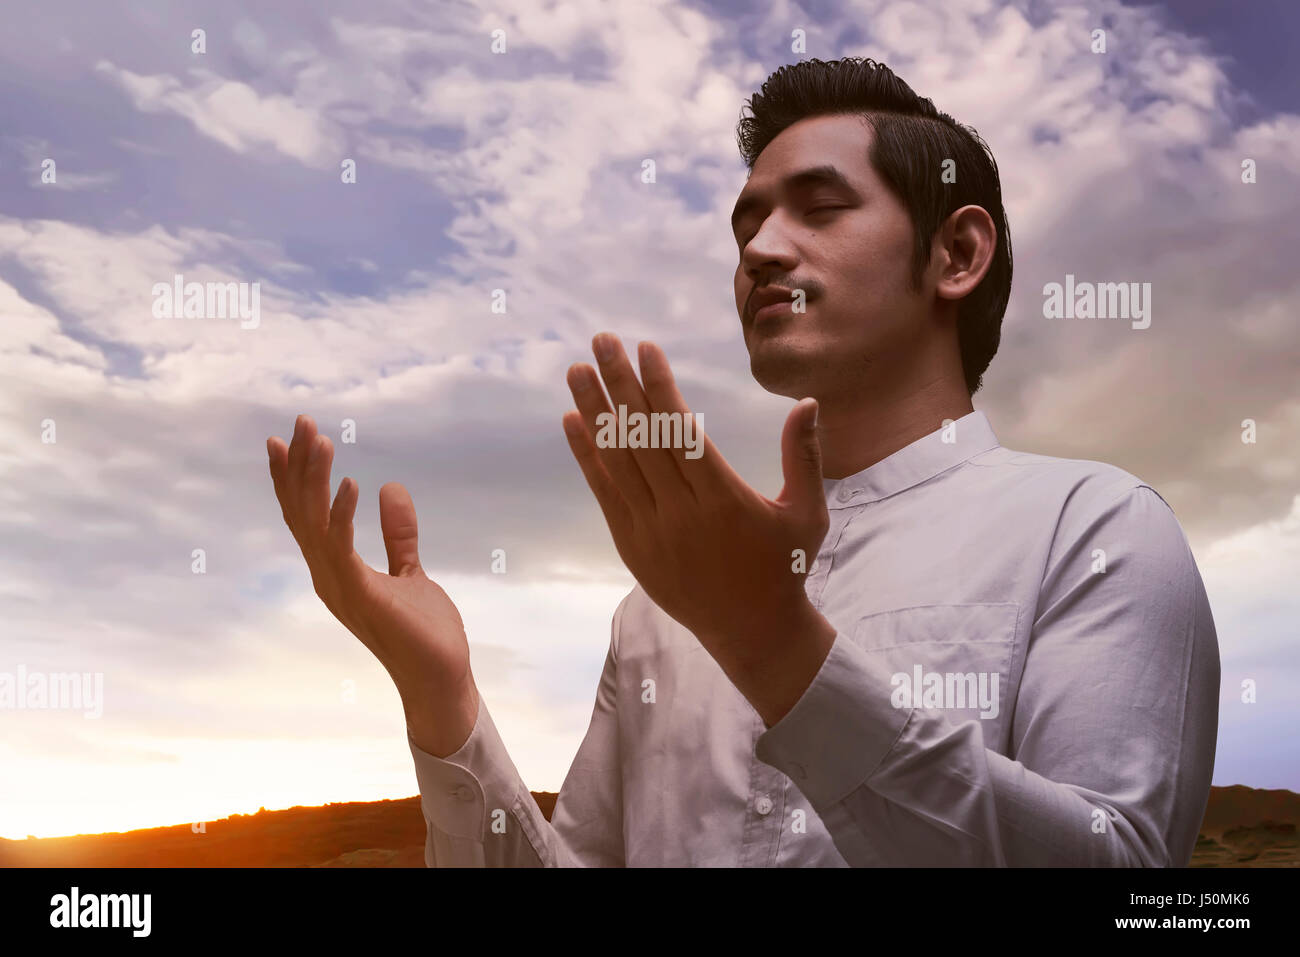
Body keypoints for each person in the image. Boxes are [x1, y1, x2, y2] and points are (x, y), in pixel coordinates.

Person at [265, 57, 1219, 866]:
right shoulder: (658, 608)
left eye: (820, 207)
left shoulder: (1093, 528)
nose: (760, 248)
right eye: (746, 224)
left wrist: (776, 649)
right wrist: (445, 704)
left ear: (957, 252)